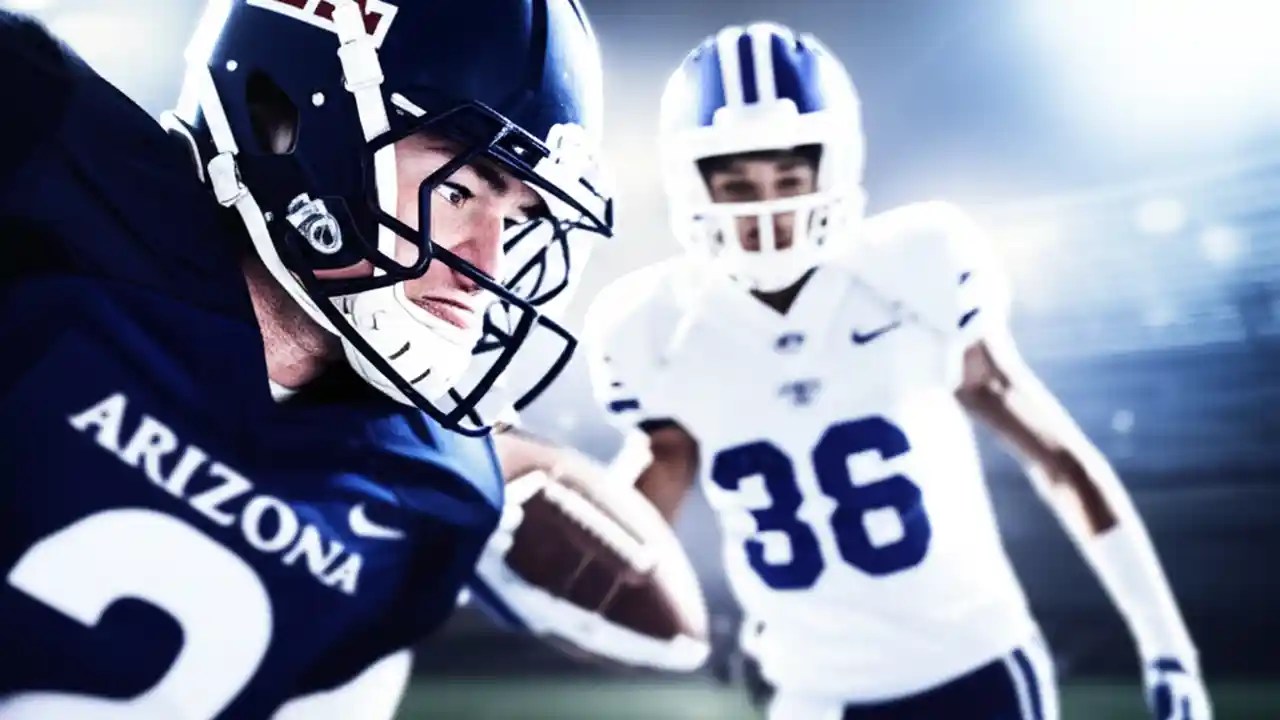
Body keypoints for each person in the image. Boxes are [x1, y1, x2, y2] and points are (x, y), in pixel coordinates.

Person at [0, 1, 610, 718]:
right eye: (458, 190)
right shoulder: (36, 147)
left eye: (517, 218)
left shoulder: (435, 493)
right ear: (285, 117)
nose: (486, 265)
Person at [583, 22, 1209, 720]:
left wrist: (1167, 649)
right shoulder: (658, 327)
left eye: (790, 177)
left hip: (976, 671)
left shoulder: (916, 267)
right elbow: (635, 525)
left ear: (835, 165)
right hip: (812, 694)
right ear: (689, 182)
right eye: (737, 183)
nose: (769, 210)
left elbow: (1063, 464)